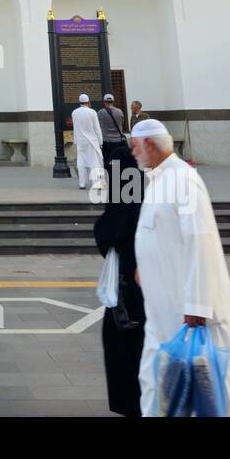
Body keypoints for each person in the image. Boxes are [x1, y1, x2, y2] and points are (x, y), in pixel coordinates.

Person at [131, 119, 230, 417]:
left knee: (213, 388)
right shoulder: (159, 179)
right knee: (153, 380)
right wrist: (144, 266)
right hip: (162, 310)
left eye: (134, 147)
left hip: (189, 313)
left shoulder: (183, 179)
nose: (132, 154)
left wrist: (197, 303)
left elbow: (201, 239)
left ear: (148, 144)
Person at [93, 131, 145, 416]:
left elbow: (109, 233)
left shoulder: (124, 206)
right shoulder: (138, 195)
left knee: (125, 345)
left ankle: (132, 403)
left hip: (128, 287)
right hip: (133, 284)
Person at [70, 94, 104, 191]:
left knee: (81, 162)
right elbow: (97, 128)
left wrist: (76, 140)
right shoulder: (92, 112)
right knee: (94, 163)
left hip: (80, 141)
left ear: (79, 102)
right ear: (88, 102)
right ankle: (96, 184)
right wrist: (100, 141)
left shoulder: (74, 112)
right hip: (92, 141)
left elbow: (75, 127)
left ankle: (82, 184)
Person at [97, 93, 129, 164]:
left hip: (106, 140)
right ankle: (116, 173)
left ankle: (109, 173)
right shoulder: (120, 112)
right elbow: (122, 123)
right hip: (118, 140)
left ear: (104, 102)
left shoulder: (100, 112)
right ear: (113, 101)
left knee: (107, 159)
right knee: (116, 159)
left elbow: (98, 125)